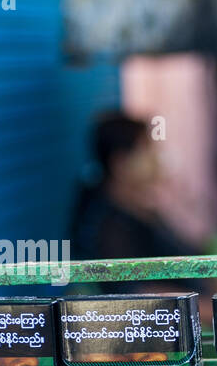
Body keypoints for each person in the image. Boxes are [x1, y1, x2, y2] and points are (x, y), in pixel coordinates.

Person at [70, 112, 200, 261]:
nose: (156, 157)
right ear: (121, 164)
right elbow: (132, 284)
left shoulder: (141, 209)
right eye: (146, 149)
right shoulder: (108, 227)